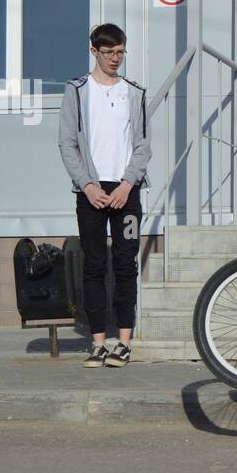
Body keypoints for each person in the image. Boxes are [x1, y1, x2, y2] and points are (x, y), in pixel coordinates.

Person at [57, 23, 151, 368]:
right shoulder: (77, 90)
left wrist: (128, 184)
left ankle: (123, 342)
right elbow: (67, 143)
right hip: (91, 193)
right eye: (109, 52)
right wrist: (88, 185)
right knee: (94, 266)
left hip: (127, 192)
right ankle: (98, 342)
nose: (116, 58)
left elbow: (143, 145)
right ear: (94, 51)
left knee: (126, 264)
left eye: (121, 51)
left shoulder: (135, 93)